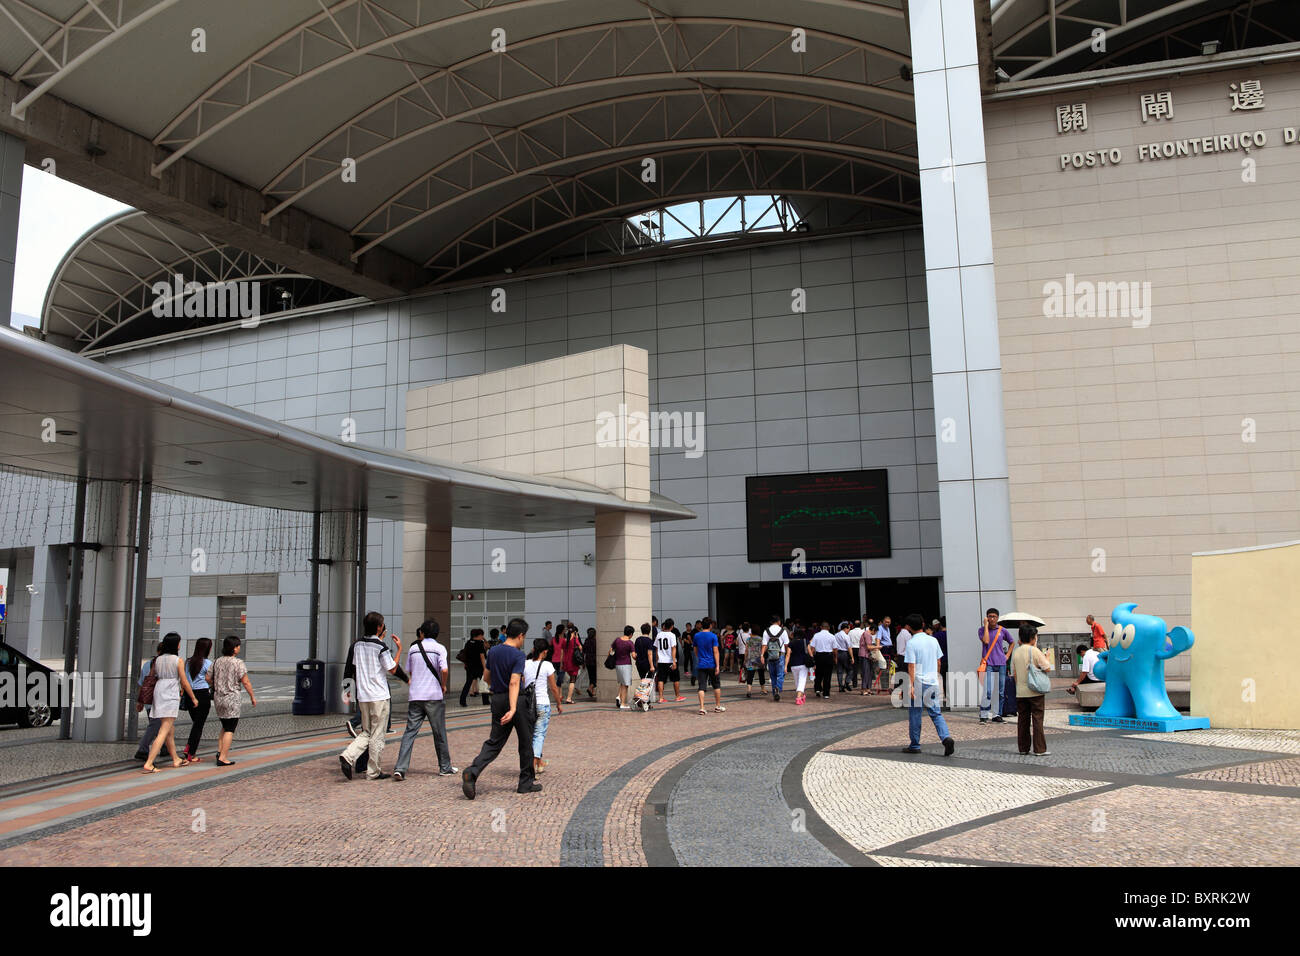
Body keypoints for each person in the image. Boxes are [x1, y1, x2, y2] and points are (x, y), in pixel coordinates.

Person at [462, 617, 541, 798]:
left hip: (497, 698)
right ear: (521, 635)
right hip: (516, 702)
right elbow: (514, 682)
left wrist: (496, 688)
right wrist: (513, 708)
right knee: (525, 741)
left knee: (495, 742)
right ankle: (525, 783)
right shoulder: (518, 655)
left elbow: (487, 676)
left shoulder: (494, 651)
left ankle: (472, 771)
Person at [392, 618, 458, 781]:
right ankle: (445, 767)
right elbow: (444, 669)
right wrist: (443, 685)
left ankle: (400, 768)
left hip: (416, 695)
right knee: (439, 732)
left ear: (421, 632)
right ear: (436, 633)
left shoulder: (414, 648)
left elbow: (410, 671)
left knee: (410, 732)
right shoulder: (439, 648)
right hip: (433, 696)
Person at [339, 611, 401, 781]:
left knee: (366, 732)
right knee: (377, 735)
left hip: (363, 696)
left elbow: (350, 667)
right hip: (379, 695)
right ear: (379, 627)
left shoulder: (357, 645)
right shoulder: (381, 646)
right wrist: (399, 649)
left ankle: (347, 756)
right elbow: (393, 669)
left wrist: (347, 689)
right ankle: (373, 771)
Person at [141, 633, 199, 773]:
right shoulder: (178, 660)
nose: (180, 645)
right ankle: (149, 762)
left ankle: (175, 759)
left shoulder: (158, 659)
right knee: (164, 730)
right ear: (175, 645)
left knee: (169, 730)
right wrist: (193, 697)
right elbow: (184, 681)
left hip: (159, 691)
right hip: (170, 693)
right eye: (179, 642)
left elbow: (151, 676)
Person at [899, 614, 955, 756]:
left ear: (909, 627)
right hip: (932, 682)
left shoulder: (911, 643)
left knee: (915, 715)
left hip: (918, 682)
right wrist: (936, 677)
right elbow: (939, 662)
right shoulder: (933, 640)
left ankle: (915, 745)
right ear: (923, 624)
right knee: (936, 713)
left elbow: (911, 666)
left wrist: (909, 685)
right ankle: (946, 737)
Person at [1007, 623, 1052, 756]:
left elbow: (1014, 673)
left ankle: (1023, 748)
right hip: (1035, 691)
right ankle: (1039, 749)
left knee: (1023, 720)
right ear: (1033, 638)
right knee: (1037, 719)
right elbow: (1047, 668)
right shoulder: (1034, 650)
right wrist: (1047, 658)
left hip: (1021, 692)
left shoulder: (1016, 652)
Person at [212, 635, 257, 765]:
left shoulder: (217, 661)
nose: (239, 648)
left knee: (224, 725)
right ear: (234, 648)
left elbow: (208, 678)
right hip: (232, 698)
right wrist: (252, 697)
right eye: (238, 646)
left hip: (218, 698)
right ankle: (223, 758)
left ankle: (220, 751)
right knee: (230, 729)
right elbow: (246, 681)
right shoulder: (238, 663)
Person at [524, 638, 563, 775]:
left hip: (527, 704)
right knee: (539, 735)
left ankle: (539, 763)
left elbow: (522, 682)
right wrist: (558, 703)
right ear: (545, 651)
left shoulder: (525, 663)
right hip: (542, 703)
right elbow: (553, 687)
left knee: (530, 735)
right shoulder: (547, 665)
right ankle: (532, 767)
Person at [977, 608, 1013, 723]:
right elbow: (986, 641)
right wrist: (986, 626)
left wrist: (1007, 655)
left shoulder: (1002, 630)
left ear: (997, 618)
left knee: (1000, 691)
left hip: (1001, 664)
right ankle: (984, 715)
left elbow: (1012, 642)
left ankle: (997, 714)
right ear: (986, 618)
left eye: (994, 616)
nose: (992, 618)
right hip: (988, 664)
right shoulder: (982, 630)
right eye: (990, 616)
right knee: (988, 690)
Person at [181, 637, 214, 763]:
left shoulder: (187, 662)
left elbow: (184, 680)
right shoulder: (207, 663)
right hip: (202, 695)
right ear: (207, 649)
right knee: (198, 725)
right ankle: (190, 752)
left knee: (196, 723)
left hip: (190, 695)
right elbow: (210, 679)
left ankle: (189, 748)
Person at [133, 641, 164, 761]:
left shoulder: (147, 664)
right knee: (156, 726)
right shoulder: (165, 664)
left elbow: (142, 684)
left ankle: (165, 747)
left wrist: (140, 700)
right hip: (160, 700)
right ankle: (143, 749)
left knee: (161, 726)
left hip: (148, 700)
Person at [693, 617, 725, 714]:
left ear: (702, 625)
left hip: (701, 664)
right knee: (716, 686)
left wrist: (700, 657)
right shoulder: (713, 636)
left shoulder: (697, 636)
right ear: (710, 625)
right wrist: (718, 666)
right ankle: (717, 706)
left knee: (701, 687)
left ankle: (702, 708)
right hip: (712, 664)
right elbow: (716, 651)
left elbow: (695, 650)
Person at [653, 619, 683, 703]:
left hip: (661, 661)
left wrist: (657, 660)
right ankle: (677, 696)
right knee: (675, 679)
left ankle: (661, 698)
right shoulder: (672, 635)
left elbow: (656, 648)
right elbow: (673, 648)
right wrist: (674, 661)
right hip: (670, 660)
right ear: (672, 626)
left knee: (661, 679)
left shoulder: (659, 635)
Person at [760, 616, 789, 702]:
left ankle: (774, 693)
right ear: (779, 622)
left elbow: (764, 645)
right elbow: (786, 644)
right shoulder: (783, 631)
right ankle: (778, 688)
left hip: (770, 656)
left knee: (772, 676)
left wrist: (762, 655)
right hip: (780, 655)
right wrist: (788, 653)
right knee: (780, 674)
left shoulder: (766, 631)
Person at [609, 625, 637, 709]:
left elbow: (611, 650)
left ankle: (619, 698)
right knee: (626, 684)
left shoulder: (617, 640)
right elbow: (633, 655)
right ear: (631, 634)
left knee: (622, 682)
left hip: (618, 664)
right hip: (626, 665)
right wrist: (636, 656)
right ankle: (623, 703)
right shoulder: (630, 643)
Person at [552, 625, 581, 705]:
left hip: (566, 662)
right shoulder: (575, 640)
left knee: (568, 679)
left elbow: (562, 653)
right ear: (575, 632)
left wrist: (562, 664)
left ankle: (563, 695)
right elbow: (581, 648)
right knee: (572, 680)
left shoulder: (565, 641)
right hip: (573, 662)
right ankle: (569, 698)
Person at [459, 628, 488, 707]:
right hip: (479, 667)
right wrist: (485, 668)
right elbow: (482, 657)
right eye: (482, 635)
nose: (482, 636)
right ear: (479, 635)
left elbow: (465, 655)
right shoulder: (479, 644)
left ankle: (462, 701)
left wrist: (465, 664)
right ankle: (485, 701)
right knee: (483, 683)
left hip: (470, 667)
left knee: (468, 683)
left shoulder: (468, 643)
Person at [809, 622, 836, 699]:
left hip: (819, 656)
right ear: (829, 628)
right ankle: (826, 693)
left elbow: (812, 648)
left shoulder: (816, 635)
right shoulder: (832, 636)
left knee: (818, 674)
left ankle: (817, 689)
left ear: (821, 627)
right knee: (827, 675)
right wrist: (835, 657)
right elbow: (835, 649)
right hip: (828, 656)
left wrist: (813, 657)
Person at [741, 624, 767, 697]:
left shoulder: (748, 640)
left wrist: (745, 660)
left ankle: (749, 690)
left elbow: (746, 651)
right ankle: (763, 689)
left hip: (750, 660)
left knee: (750, 675)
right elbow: (764, 648)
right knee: (761, 674)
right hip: (759, 659)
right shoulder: (761, 639)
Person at [787, 625, 810, 705]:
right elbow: (810, 653)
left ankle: (802, 695)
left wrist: (786, 666)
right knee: (802, 681)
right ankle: (798, 697)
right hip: (803, 664)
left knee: (797, 681)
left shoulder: (791, 643)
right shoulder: (805, 641)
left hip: (793, 665)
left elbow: (788, 655)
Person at [833, 622, 853, 693]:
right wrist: (852, 657)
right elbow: (849, 647)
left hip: (837, 653)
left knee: (839, 671)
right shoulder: (846, 636)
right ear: (845, 628)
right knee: (850, 670)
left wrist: (834, 656)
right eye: (848, 629)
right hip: (844, 653)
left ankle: (840, 687)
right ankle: (847, 682)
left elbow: (833, 646)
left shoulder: (835, 635)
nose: (849, 631)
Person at [582, 626, 599, 699]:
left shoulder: (586, 640)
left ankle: (592, 692)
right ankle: (590, 688)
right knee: (595, 678)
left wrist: (583, 662)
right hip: (594, 661)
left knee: (591, 677)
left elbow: (583, 651)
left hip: (588, 661)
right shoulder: (595, 641)